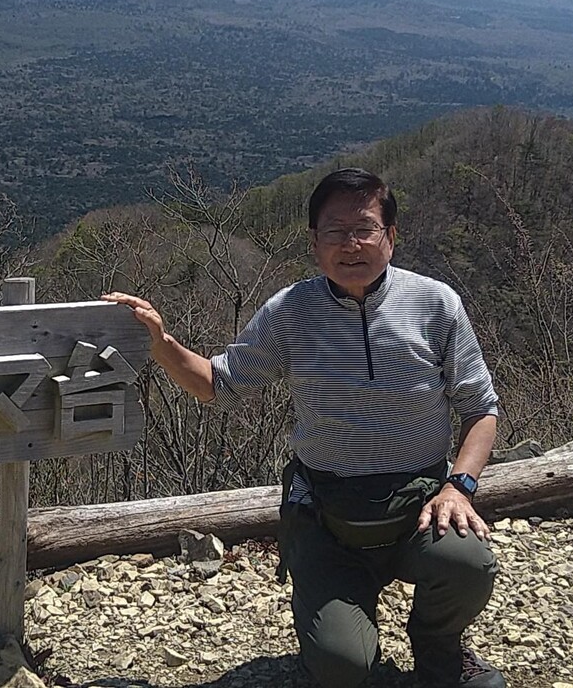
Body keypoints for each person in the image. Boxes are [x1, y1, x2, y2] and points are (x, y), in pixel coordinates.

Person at [104, 167, 505, 688]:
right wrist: (159, 342)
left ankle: (439, 651)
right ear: (314, 241)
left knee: (468, 562)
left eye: (365, 229)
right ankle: (345, 641)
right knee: (342, 669)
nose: (351, 244)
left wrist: (460, 486)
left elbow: (481, 408)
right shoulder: (292, 310)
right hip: (327, 518)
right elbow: (216, 383)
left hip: (417, 504)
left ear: (392, 236)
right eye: (335, 232)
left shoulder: (436, 304)